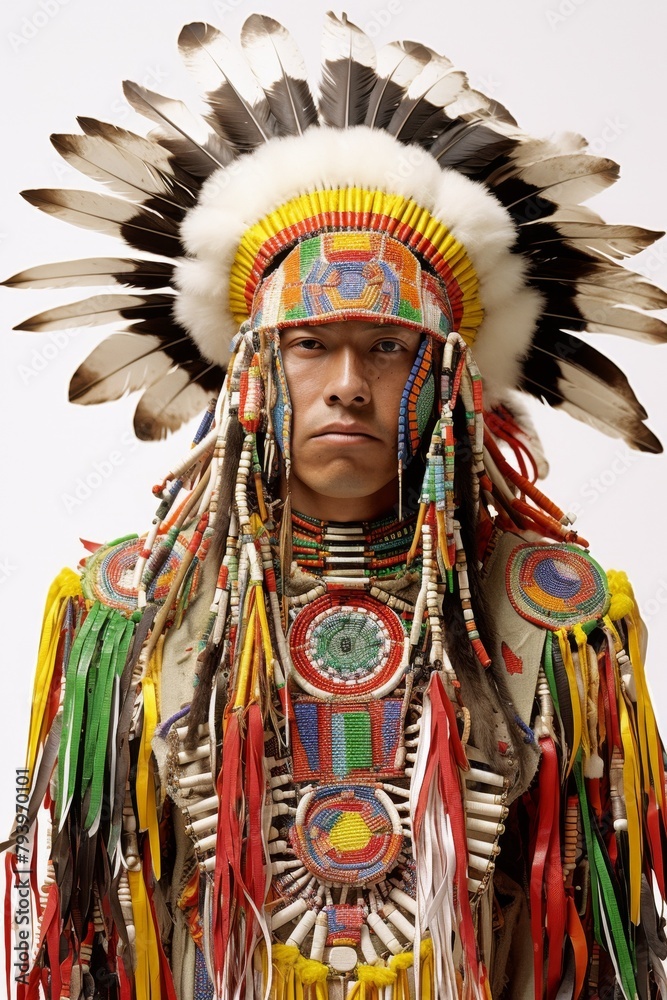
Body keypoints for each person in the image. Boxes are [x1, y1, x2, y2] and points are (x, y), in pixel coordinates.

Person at [3, 12, 666, 1000]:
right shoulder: (129, 617)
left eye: (388, 347)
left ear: (445, 387)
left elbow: (600, 951)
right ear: (250, 379)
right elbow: (88, 938)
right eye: (311, 344)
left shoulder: (553, 623)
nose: (347, 383)